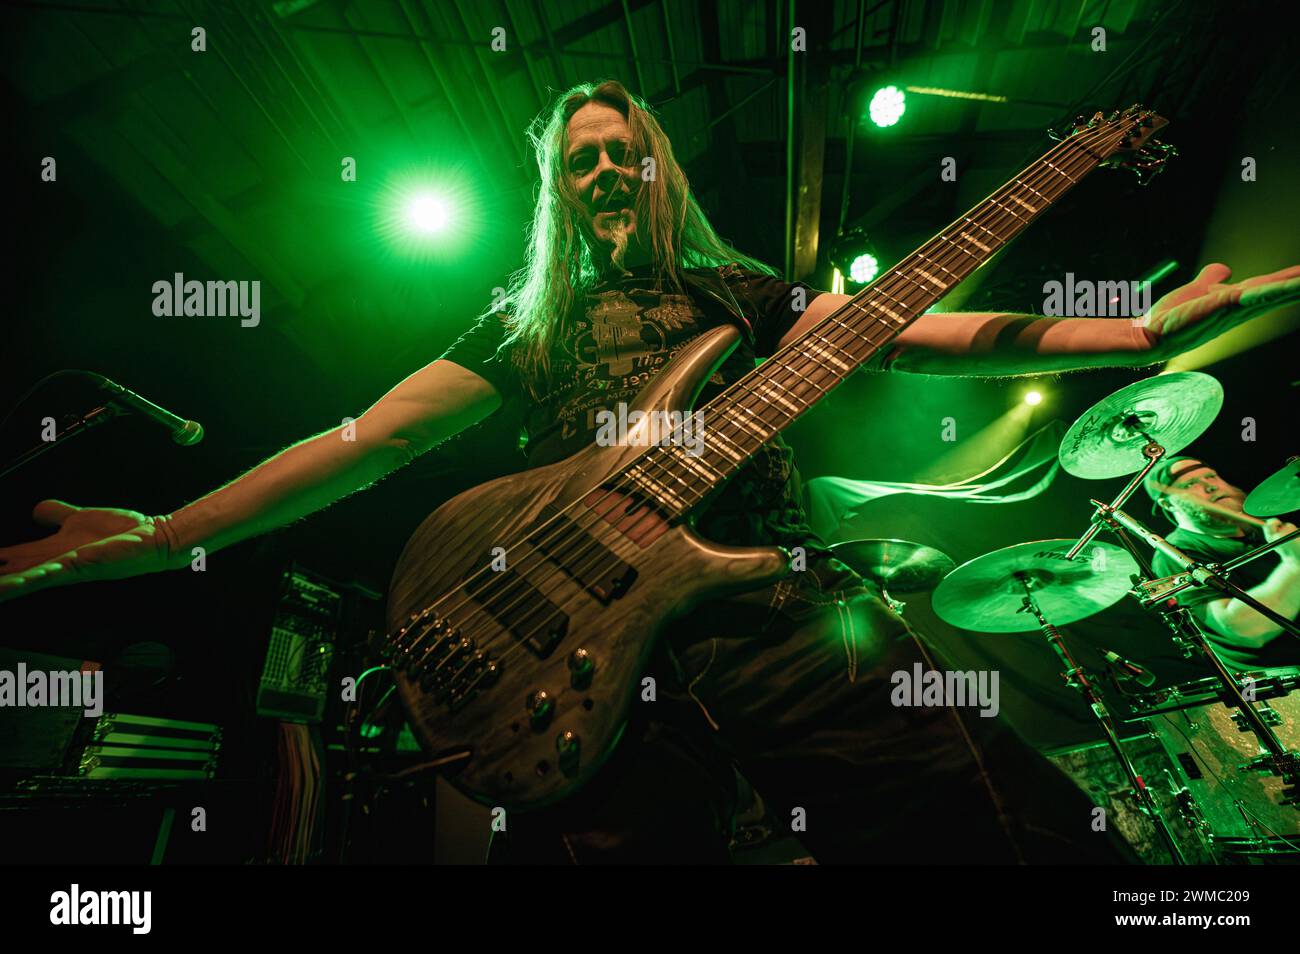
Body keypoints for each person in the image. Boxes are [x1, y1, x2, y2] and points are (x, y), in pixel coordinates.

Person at [2, 80, 1298, 863]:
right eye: (584, 161)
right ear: (559, 193)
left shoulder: (737, 289)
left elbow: (908, 331)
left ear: (660, 169)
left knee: (998, 832)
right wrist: (172, 530)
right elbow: (370, 435)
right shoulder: (525, 323)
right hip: (583, 662)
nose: (610, 169)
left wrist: (1130, 328)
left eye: (628, 152)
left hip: (779, 619)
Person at [1145, 456, 1299, 673]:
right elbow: (1244, 629)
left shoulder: (1263, 529)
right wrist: (1294, 565)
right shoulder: (1177, 554)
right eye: (1190, 485)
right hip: (1282, 681)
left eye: (1211, 476)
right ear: (1167, 503)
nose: (1209, 485)